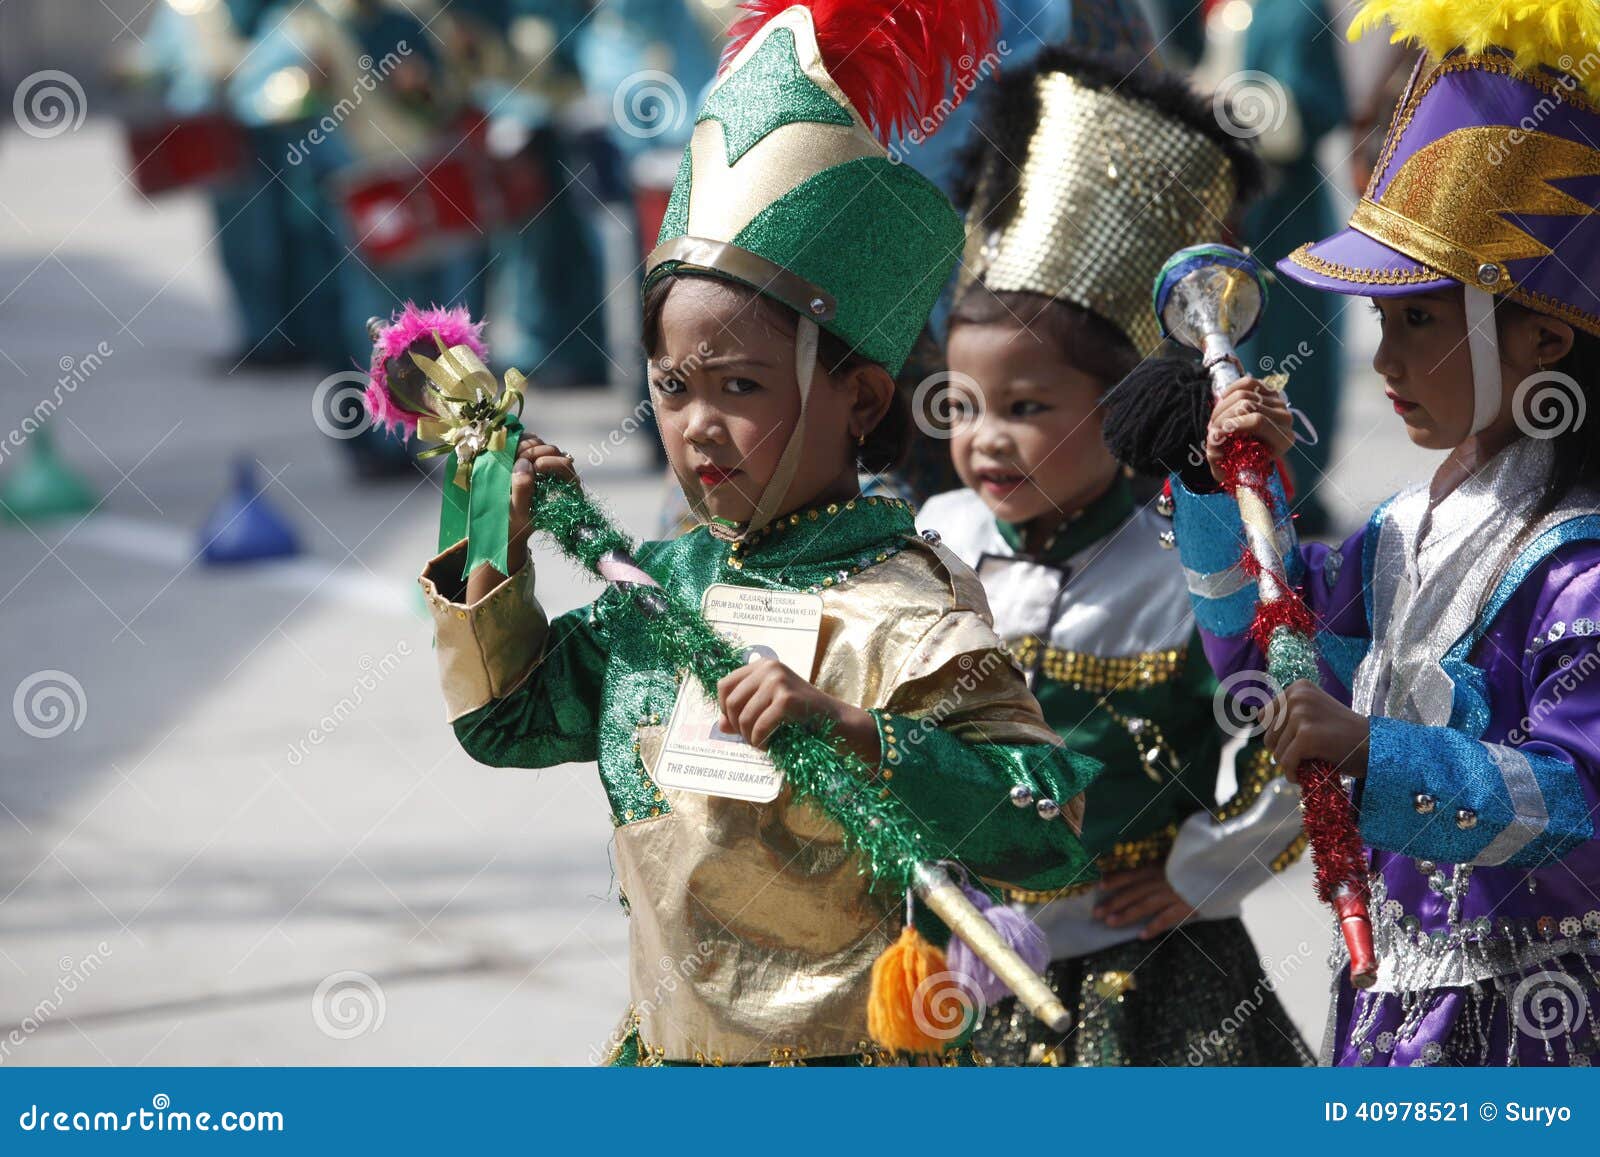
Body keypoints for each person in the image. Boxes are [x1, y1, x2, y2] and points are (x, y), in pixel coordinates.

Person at [414, 0, 1100, 1066]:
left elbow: (1046, 828)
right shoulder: (657, 590)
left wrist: (856, 729)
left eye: (739, 385)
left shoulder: (906, 607)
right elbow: (504, 726)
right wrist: (490, 549)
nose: (697, 426)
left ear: (861, 400)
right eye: (673, 388)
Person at [1170, 0, 1600, 1066]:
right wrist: (1230, 488)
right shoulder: (1398, 536)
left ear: (1543, 335)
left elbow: (1577, 806)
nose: (1383, 361)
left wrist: (1372, 747)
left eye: (1419, 318)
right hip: (1386, 1006)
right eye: (1380, 320)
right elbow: (1265, 656)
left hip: (1538, 1027)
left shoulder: (1580, 569)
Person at [916, 46, 1311, 1066]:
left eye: (1027, 406)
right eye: (962, 406)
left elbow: (1293, 725)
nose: (984, 438)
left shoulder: (1184, 572)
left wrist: (1209, 868)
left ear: (1121, 404)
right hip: (953, 955)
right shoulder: (931, 542)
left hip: (1143, 966)